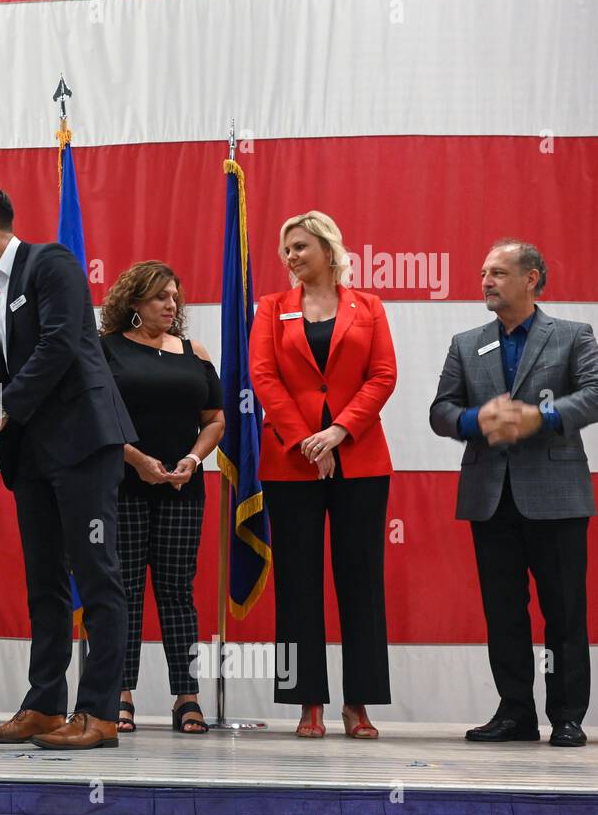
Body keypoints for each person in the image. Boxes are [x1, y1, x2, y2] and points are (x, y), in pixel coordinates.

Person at [0, 180, 135, 751]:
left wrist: (4, 411)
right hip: (34, 460)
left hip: (83, 447)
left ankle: (99, 713)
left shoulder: (51, 262)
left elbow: (60, 345)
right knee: (44, 585)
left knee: (97, 578)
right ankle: (45, 705)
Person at [430, 239, 598, 748]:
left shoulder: (572, 335)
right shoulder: (466, 342)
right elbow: (440, 411)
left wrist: (540, 418)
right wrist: (473, 420)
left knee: (564, 611)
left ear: (532, 278)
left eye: (499, 273)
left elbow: (593, 395)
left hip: (557, 493)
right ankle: (515, 713)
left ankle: (568, 715)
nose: (486, 281)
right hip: (489, 495)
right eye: (484, 273)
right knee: (504, 611)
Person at [249, 210, 397, 739]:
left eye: (301, 246)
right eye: (286, 248)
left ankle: (359, 704)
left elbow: (382, 377)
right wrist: (307, 441)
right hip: (291, 461)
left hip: (359, 458)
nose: (291, 256)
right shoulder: (271, 308)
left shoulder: (370, 308)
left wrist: (338, 433)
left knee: (361, 583)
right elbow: (263, 378)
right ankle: (306, 701)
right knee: (297, 584)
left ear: (330, 251)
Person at [99, 262, 224, 735]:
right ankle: (121, 694)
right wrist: (137, 460)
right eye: (159, 298)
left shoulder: (195, 352)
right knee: (124, 591)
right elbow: (98, 416)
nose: (171, 305)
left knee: (177, 591)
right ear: (133, 304)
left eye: (174, 297)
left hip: (181, 487)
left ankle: (186, 696)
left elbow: (214, 418)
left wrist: (191, 460)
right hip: (123, 484)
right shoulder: (105, 350)